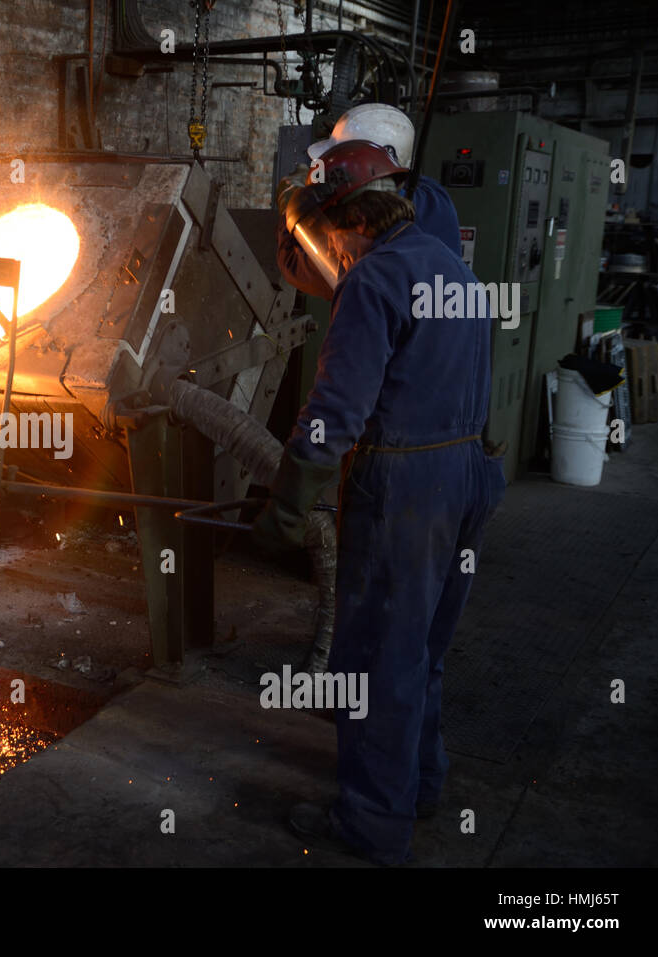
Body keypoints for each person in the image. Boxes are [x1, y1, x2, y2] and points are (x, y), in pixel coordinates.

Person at [251, 140, 506, 865]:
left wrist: (289, 501)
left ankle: (371, 822)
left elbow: (335, 410)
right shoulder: (452, 268)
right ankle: (421, 784)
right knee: (421, 649)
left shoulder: (374, 279)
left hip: (406, 491)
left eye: (326, 240)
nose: (328, 255)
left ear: (345, 220)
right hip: (469, 476)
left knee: (373, 660)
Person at [277, 103, 462, 300]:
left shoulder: (367, 253)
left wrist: (293, 205)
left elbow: (298, 266)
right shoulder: (434, 195)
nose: (334, 246)